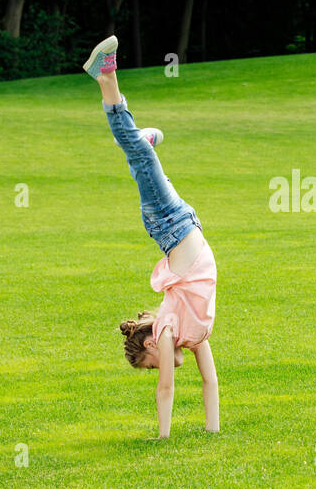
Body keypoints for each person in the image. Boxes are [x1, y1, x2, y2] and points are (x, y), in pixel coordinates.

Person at [85, 36, 219, 439]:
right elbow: (210, 384)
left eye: (148, 367)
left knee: (141, 158)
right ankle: (138, 141)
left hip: (169, 224)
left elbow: (167, 388)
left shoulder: (164, 331)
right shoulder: (194, 334)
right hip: (184, 222)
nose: (157, 369)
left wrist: (163, 437)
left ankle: (105, 76)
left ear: (148, 350)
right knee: (143, 161)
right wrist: (212, 432)